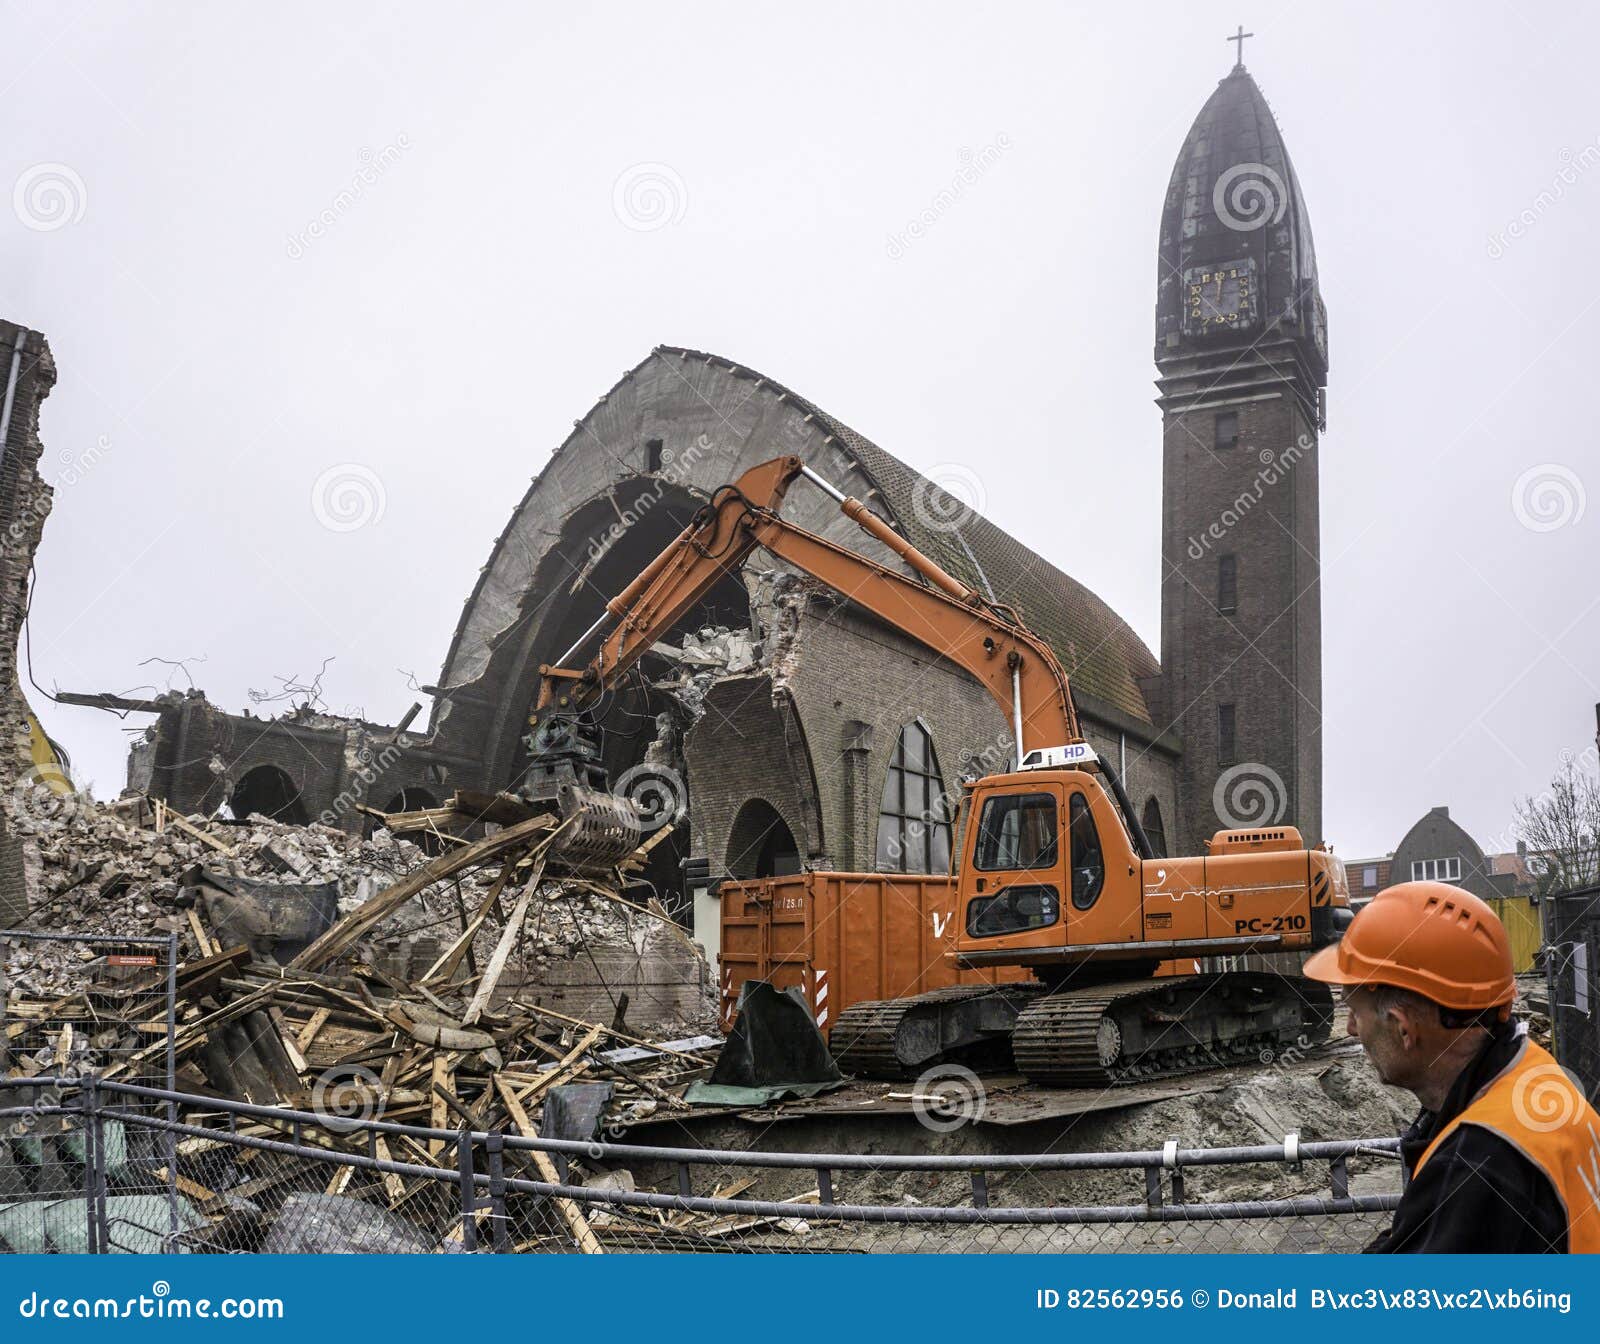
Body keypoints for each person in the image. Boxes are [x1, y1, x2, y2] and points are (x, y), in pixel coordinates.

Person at [1303, 880, 1600, 1253]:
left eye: (1354, 1011)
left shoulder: (1479, 1164)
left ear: (1403, 1027)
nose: (1350, 1029)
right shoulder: (1528, 1074)